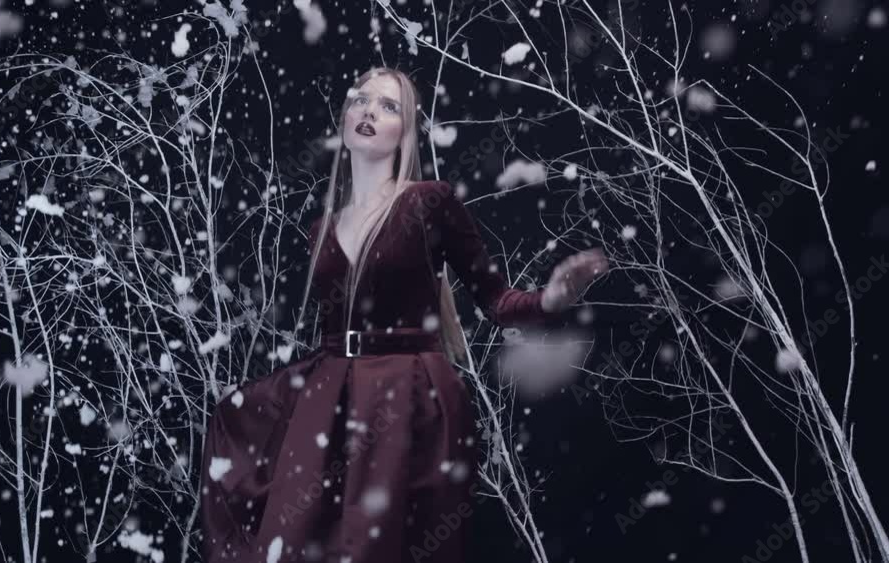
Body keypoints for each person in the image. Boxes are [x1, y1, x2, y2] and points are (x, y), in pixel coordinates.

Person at [200, 67, 608, 563]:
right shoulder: (321, 227)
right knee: (294, 538)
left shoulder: (429, 201)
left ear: (406, 131)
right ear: (345, 117)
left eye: (388, 106)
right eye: (361, 100)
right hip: (330, 395)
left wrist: (551, 299)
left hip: (403, 397)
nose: (369, 111)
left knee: (380, 547)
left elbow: (496, 301)